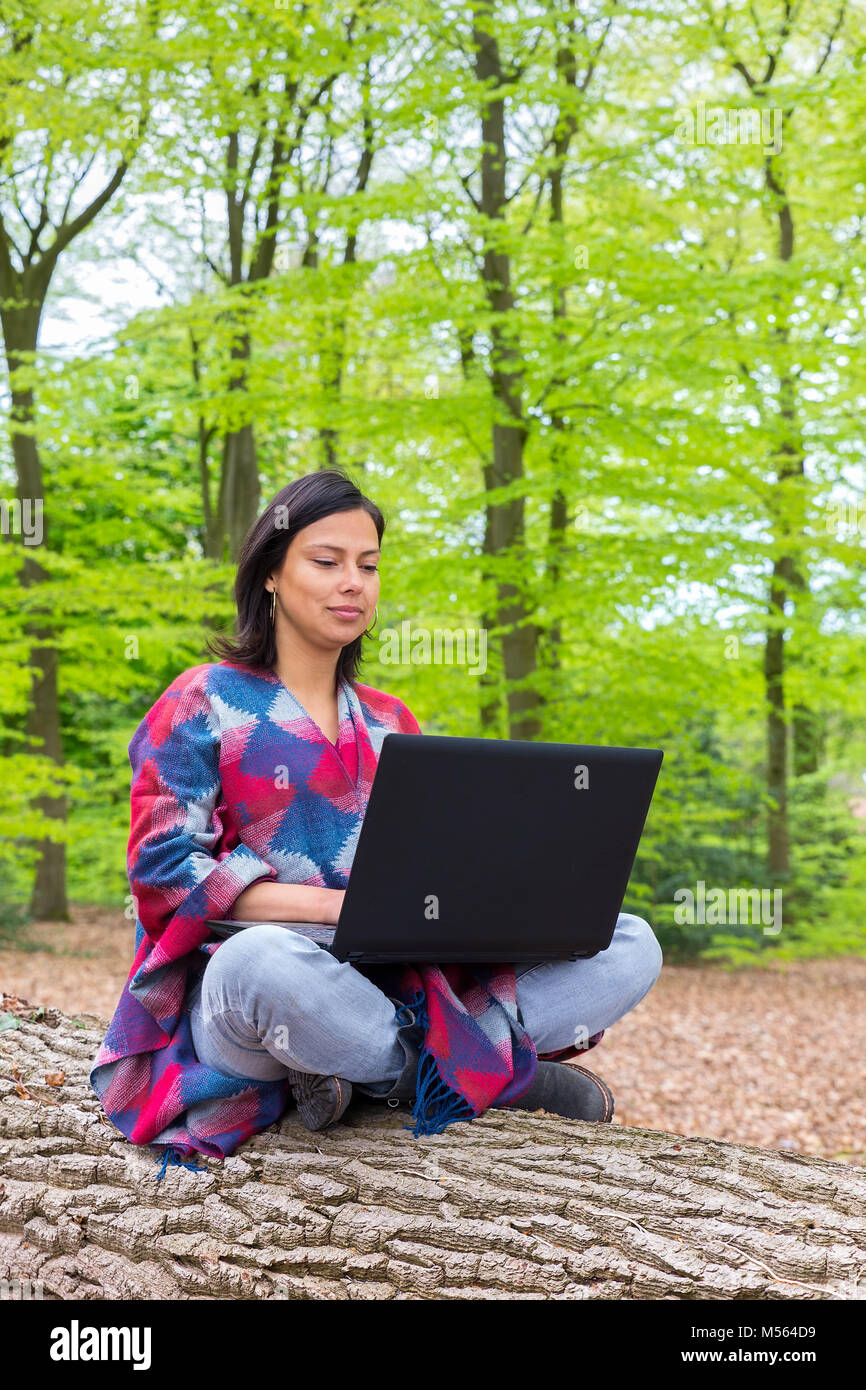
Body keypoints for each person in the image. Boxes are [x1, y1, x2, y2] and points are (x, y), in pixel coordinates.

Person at [90, 469, 662, 1161]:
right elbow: (164, 876)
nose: (353, 582)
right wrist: (340, 909)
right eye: (326, 562)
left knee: (628, 941)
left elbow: (434, 866)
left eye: (369, 565)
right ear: (270, 573)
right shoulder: (201, 699)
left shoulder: (392, 721)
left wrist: (500, 899)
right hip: (263, 988)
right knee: (257, 961)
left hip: (391, 981)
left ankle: (375, 1077)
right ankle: (480, 1071)